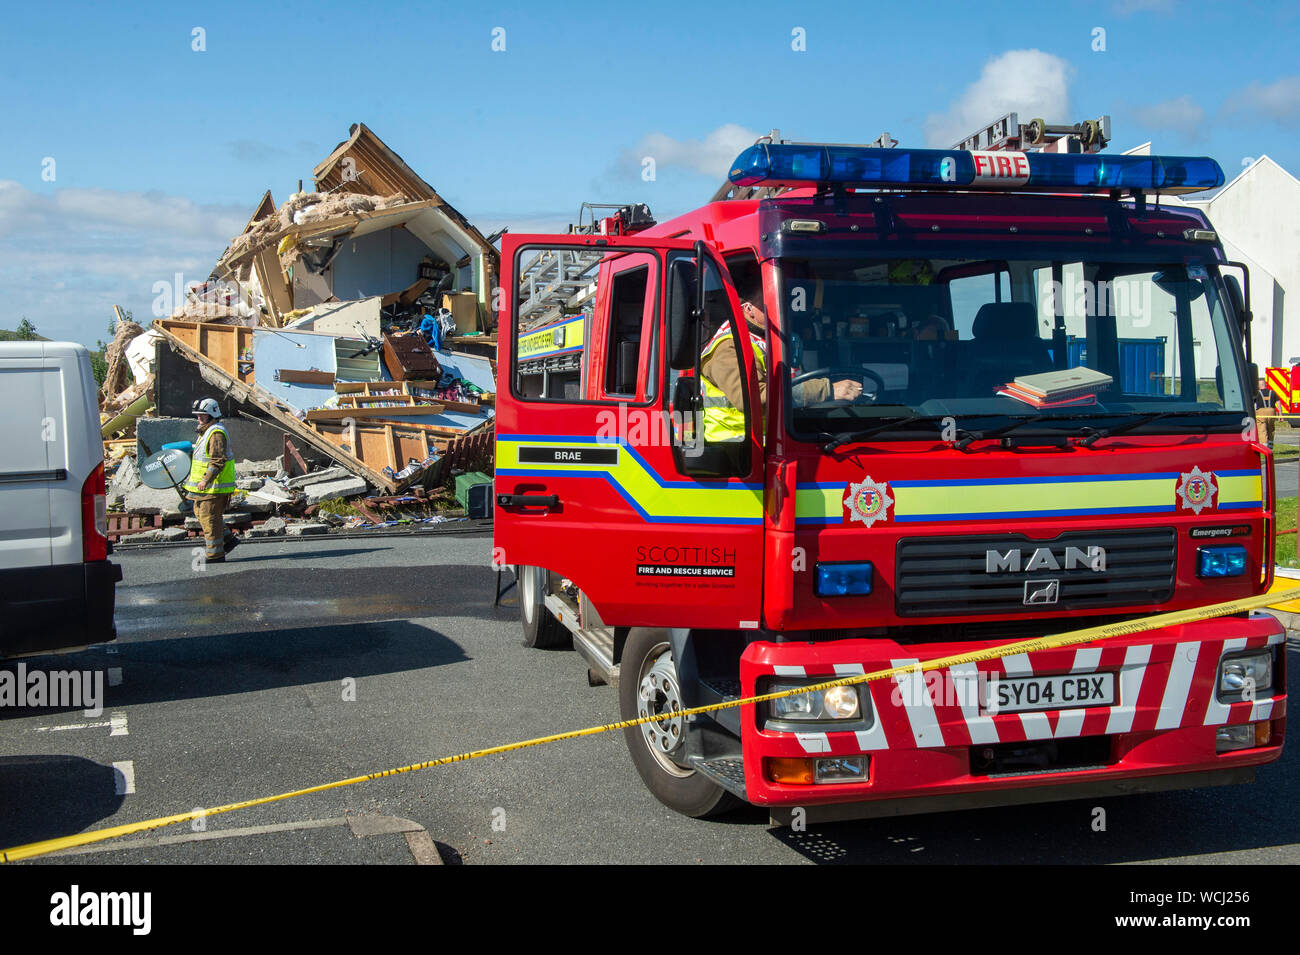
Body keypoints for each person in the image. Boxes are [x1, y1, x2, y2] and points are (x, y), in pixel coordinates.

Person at [699, 295, 862, 441]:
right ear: (749, 309)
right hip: (740, 450)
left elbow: (791, 387)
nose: (781, 310)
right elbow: (754, 399)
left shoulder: (769, 341)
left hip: (777, 438)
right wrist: (827, 390)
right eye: (770, 304)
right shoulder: (731, 347)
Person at [181, 398, 239, 562]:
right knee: (201, 513)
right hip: (207, 487)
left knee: (209, 518)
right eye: (198, 415)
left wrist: (205, 480)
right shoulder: (206, 432)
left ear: (212, 415)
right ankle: (228, 539)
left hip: (215, 486)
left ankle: (215, 554)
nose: (199, 418)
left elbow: (217, 461)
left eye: (202, 415)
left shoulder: (216, 433)